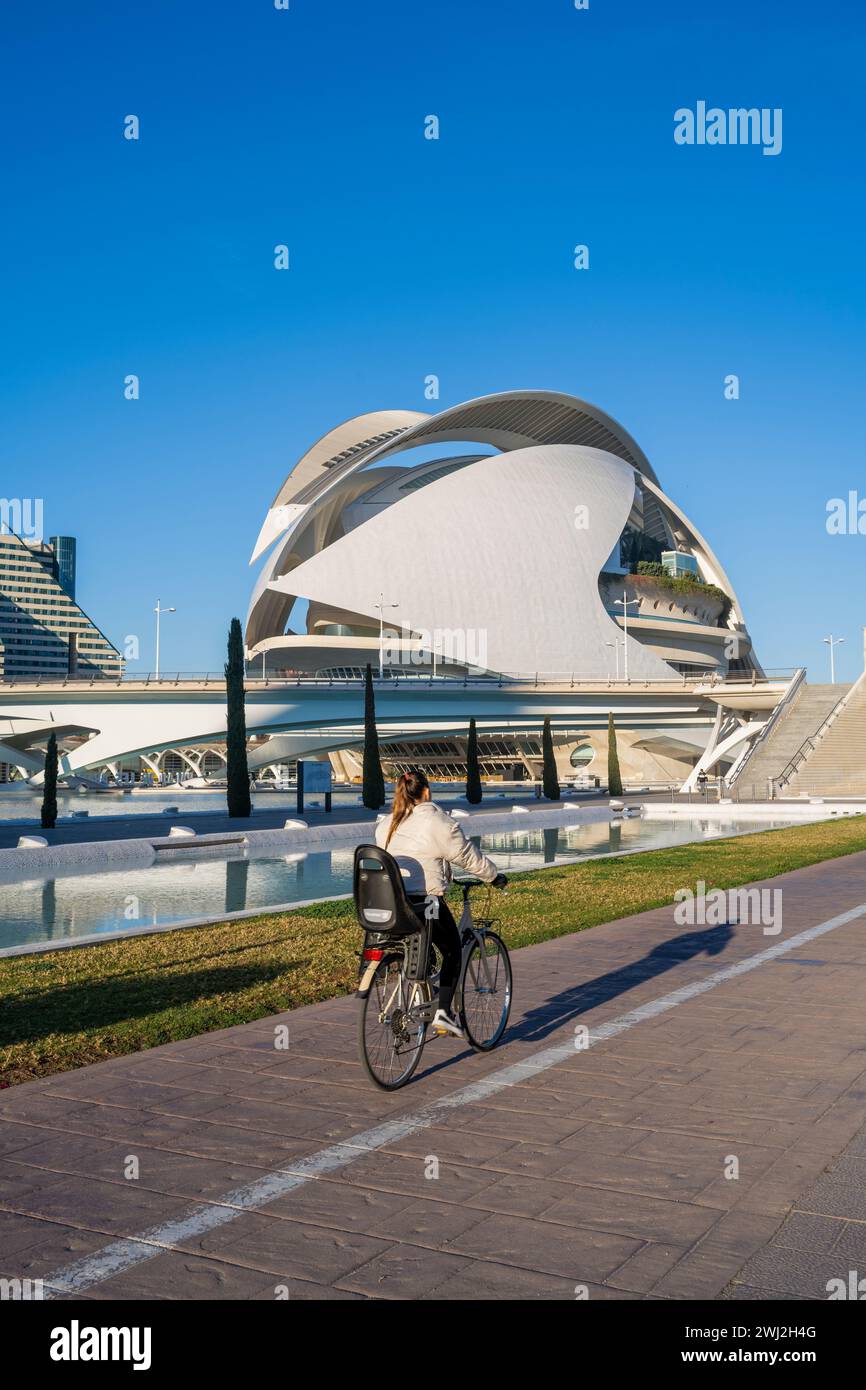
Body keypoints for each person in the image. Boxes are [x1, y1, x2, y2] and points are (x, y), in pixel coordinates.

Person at [375, 768, 506, 1037]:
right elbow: (468, 857)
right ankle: (444, 1013)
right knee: (453, 951)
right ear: (426, 791)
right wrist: (493, 877)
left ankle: (427, 988)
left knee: (427, 944)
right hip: (425, 903)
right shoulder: (438, 823)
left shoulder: (386, 824)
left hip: (391, 904)